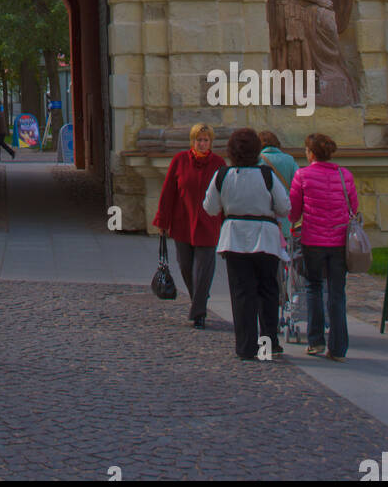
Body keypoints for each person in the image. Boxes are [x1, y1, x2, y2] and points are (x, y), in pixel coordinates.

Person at [203, 128, 290, 361]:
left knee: (242, 293)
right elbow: (284, 207)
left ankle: (246, 345)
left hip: (236, 237)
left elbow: (210, 207)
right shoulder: (266, 175)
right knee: (268, 291)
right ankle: (269, 342)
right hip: (265, 237)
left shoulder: (223, 175)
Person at [289, 133, 357, 361]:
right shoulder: (344, 175)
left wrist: (294, 221)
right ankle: (338, 348)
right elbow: (353, 208)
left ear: (310, 153)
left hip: (313, 241)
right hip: (339, 242)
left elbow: (294, 210)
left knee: (314, 287)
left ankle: (315, 341)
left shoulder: (302, 175)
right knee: (337, 292)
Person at [153, 123, 226, 329]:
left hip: (208, 223)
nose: (202, 144)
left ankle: (199, 311)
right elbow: (169, 192)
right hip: (183, 221)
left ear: (211, 142)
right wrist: (162, 221)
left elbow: (225, 194)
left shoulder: (219, 163)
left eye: (206, 140)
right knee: (185, 266)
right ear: (192, 141)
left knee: (203, 269)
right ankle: (199, 297)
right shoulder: (180, 160)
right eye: (199, 140)